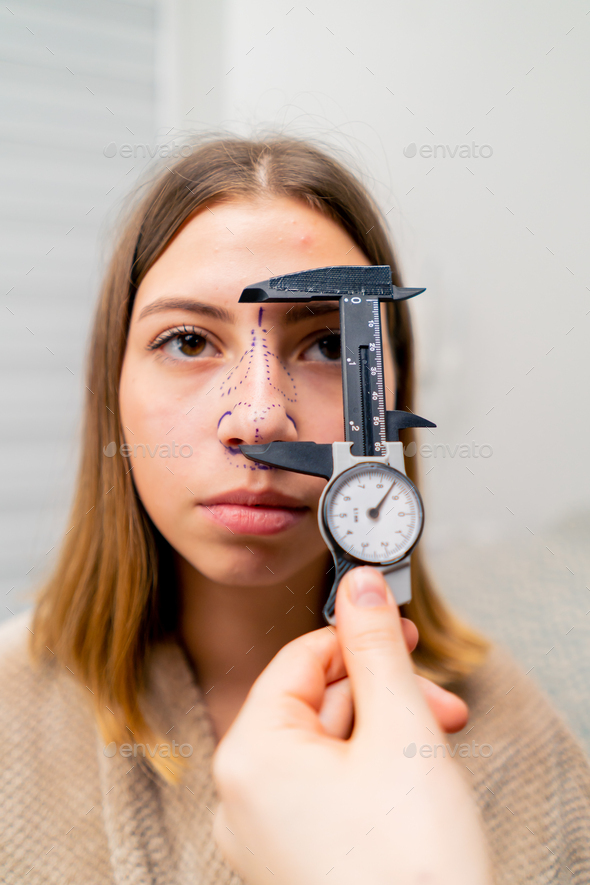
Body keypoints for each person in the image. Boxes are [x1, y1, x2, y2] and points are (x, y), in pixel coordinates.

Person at [1, 135, 589, 884]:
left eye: (327, 346)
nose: (258, 418)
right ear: (110, 390)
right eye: (187, 341)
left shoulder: (506, 727)